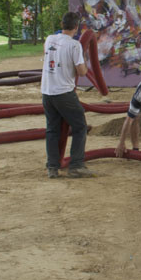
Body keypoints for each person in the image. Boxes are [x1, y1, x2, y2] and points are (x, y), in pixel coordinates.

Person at [41, 11, 93, 179]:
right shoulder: (74, 45)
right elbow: (82, 72)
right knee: (80, 126)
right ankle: (76, 165)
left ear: (61, 24)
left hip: (47, 92)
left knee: (52, 129)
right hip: (64, 92)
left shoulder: (49, 39)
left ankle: (52, 167)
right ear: (76, 27)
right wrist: (84, 62)